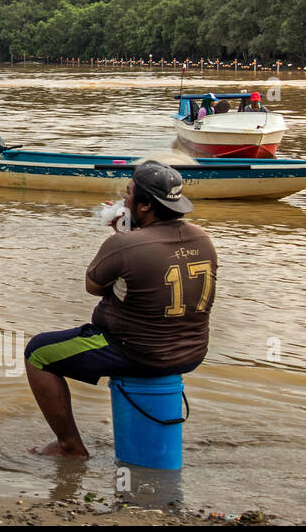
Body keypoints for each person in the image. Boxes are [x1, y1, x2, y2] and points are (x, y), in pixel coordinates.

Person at [24, 161, 217, 458]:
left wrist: (120, 236)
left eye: (128, 194)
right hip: (191, 353)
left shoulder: (124, 244)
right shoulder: (202, 238)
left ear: (144, 205)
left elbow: (93, 286)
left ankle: (69, 446)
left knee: (37, 352)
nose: (123, 200)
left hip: (137, 352)